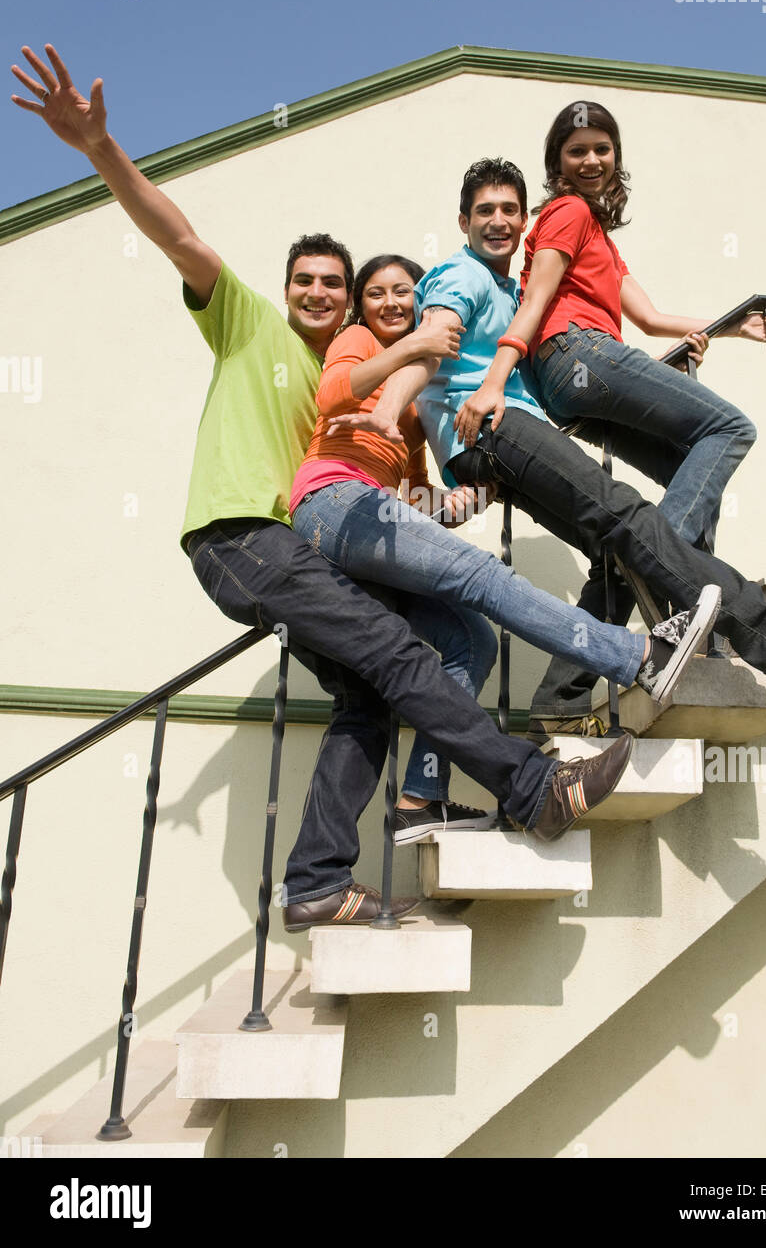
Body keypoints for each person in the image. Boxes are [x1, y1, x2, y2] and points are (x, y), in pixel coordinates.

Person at [9, 46, 636, 933]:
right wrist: (101, 149)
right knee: (402, 656)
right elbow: (177, 235)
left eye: (331, 286)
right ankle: (533, 787)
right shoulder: (248, 322)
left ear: (348, 304)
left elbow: (392, 463)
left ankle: (316, 881)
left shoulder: (344, 372)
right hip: (242, 536)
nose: (316, 292)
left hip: (301, 547)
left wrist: (459, 479)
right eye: (305, 280)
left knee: (372, 692)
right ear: (287, 287)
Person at [327, 158, 766, 704]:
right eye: (484, 210)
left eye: (510, 210)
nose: (498, 220)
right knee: (626, 514)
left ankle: (560, 703)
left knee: (617, 552)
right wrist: (388, 409)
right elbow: (433, 340)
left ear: (523, 220)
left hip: (501, 441)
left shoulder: (508, 291)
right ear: (462, 221)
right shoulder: (458, 276)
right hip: (494, 428)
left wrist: (656, 370)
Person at [290, 253, 721, 839]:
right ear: (361, 307)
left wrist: (453, 504)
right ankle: (639, 659)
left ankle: (421, 797)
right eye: (376, 294)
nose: (390, 303)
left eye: (402, 292)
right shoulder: (361, 340)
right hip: (332, 501)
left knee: (470, 641)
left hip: (366, 518)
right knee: (483, 578)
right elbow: (334, 391)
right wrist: (414, 345)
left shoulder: (414, 409)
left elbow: (414, 501)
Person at [455, 105, 766, 734]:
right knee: (730, 428)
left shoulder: (597, 234)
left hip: (578, 374)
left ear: (616, 155)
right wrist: (495, 380)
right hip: (577, 353)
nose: (592, 160)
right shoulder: (567, 213)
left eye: (602, 148)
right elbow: (539, 299)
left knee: (685, 474)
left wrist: (724, 326)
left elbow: (652, 319)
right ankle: (677, 590)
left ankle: (564, 691)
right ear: (559, 164)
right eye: (577, 151)